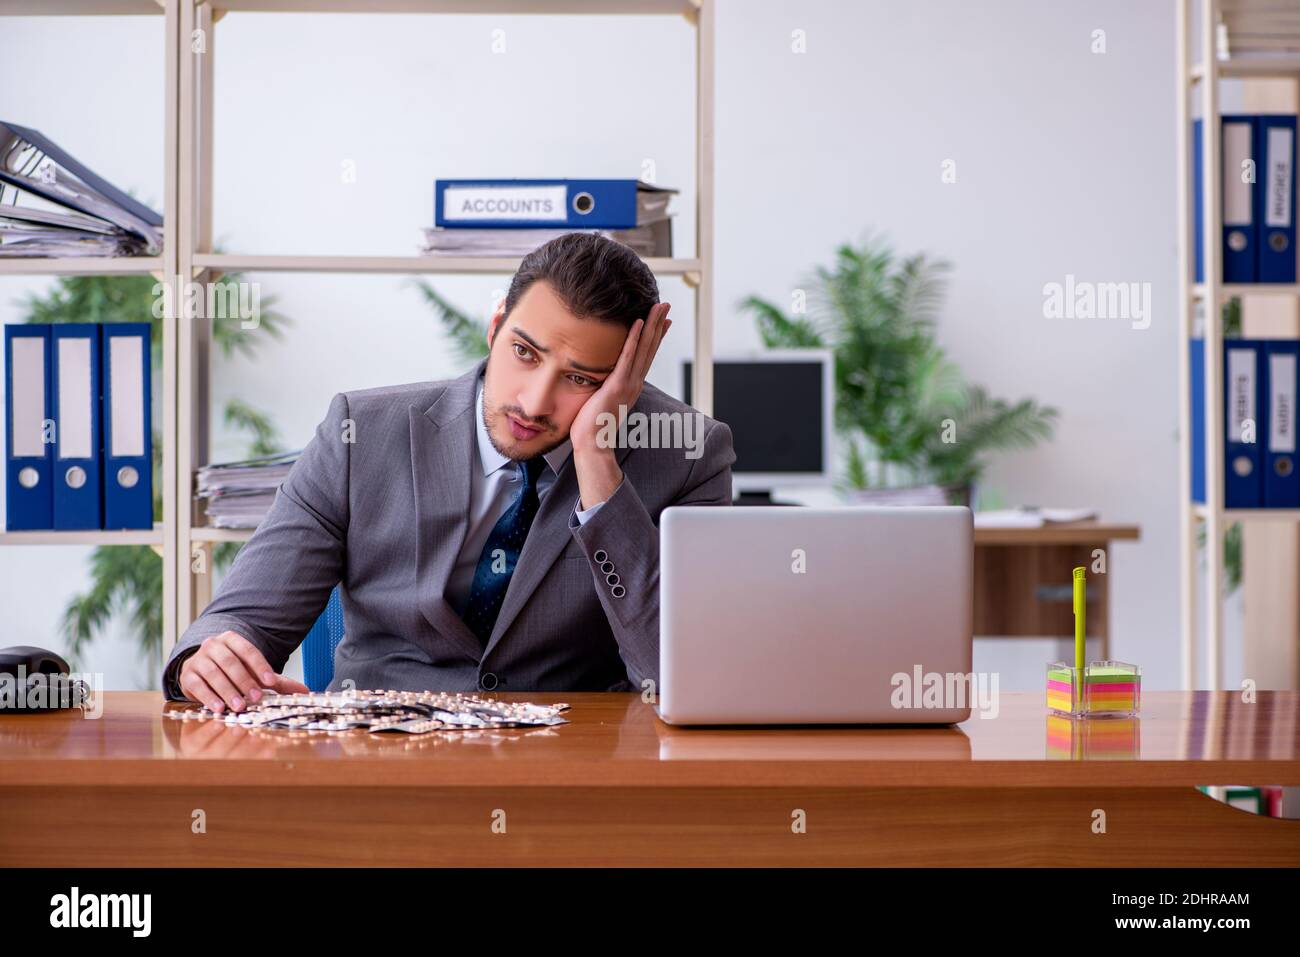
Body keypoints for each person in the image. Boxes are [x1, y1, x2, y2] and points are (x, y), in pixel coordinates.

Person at [162, 232, 735, 710]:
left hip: (571, 783)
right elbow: (241, 617)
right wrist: (208, 657)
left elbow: (679, 676)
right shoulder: (361, 432)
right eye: (525, 353)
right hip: (380, 770)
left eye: (582, 379)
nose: (534, 403)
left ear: (622, 382)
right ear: (494, 330)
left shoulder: (687, 456)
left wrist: (597, 463)